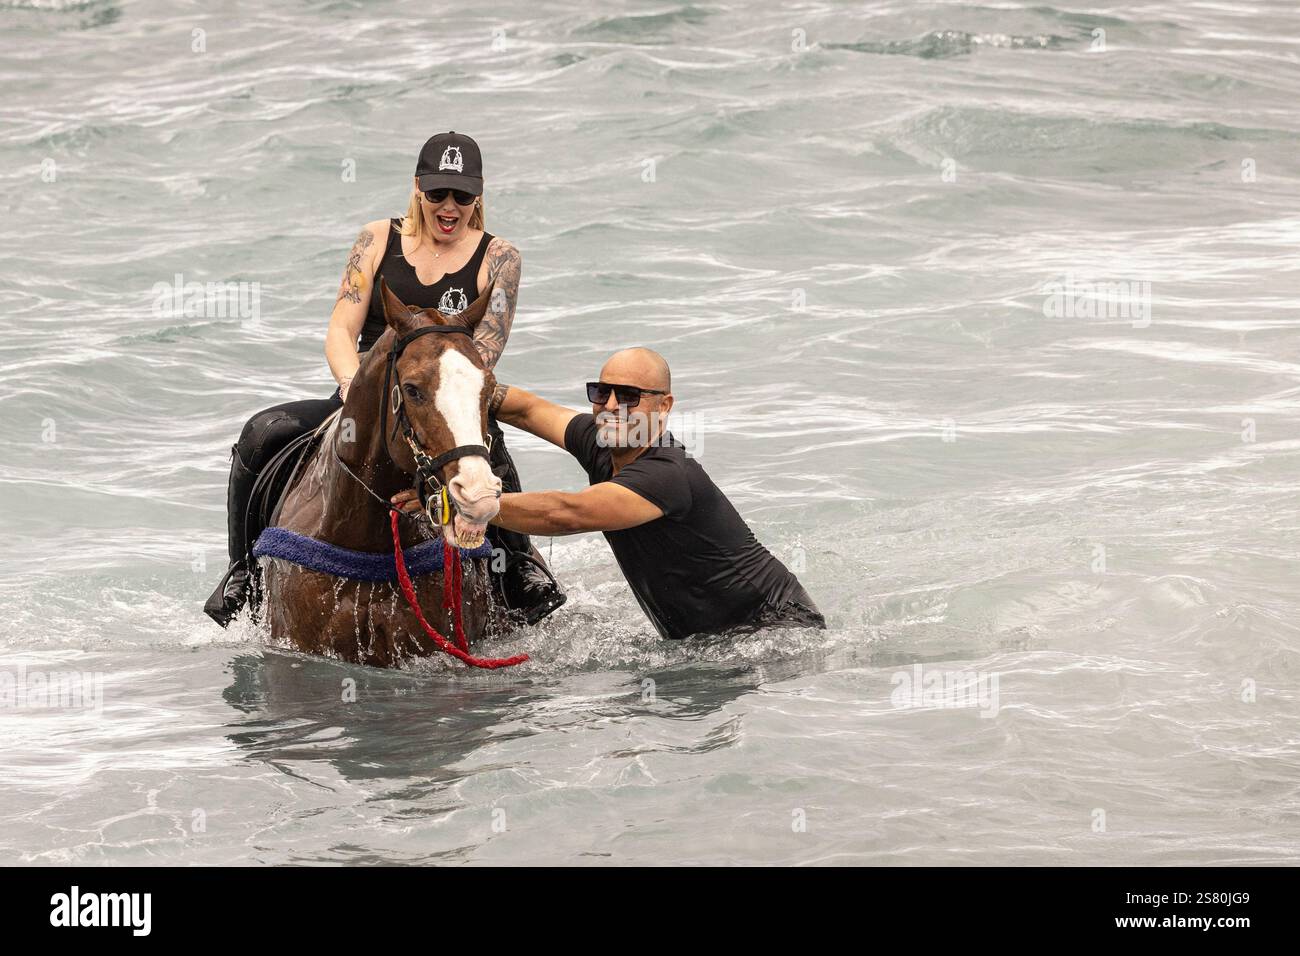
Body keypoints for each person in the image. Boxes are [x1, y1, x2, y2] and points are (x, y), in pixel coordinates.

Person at [204, 131, 565, 627]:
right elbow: (340, 328)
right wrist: (354, 386)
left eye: (462, 195)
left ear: (477, 196)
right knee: (262, 434)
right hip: (363, 395)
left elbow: (484, 351)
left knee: (490, 451)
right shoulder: (376, 238)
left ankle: (520, 569)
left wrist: (448, 397)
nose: (449, 206)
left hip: (446, 399)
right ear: (418, 187)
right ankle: (242, 572)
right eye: (438, 192)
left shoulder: (500, 256)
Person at [392, 347, 824, 640]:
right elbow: (527, 410)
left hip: (777, 631)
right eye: (601, 392)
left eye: (630, 396)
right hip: (700, 642)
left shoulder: (668, 474)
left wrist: (457, 504)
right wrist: (457, 383)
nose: (611, 405)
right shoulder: (602, 441)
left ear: (664, 405)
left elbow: (567, 514)